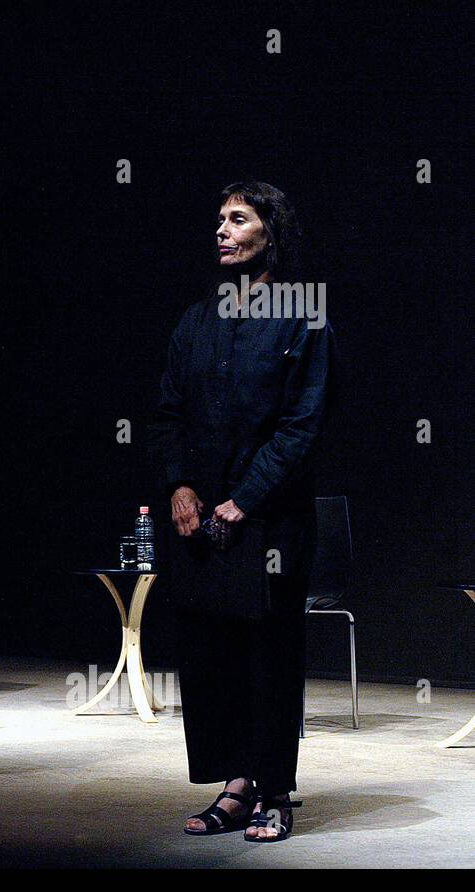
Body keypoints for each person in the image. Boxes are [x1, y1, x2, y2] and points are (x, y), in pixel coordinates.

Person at [147, 181, 335, 841]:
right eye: (219, 218)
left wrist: (243, 497)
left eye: (238, 218)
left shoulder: (303, 316)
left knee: (269, 653)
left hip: (269, 522)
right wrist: (180, 487)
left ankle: (274, 790)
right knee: (212, 652)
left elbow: (301, 427)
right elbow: (169, 410)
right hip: (201, 521)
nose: (222, 230)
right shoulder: (197, 318)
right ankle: (235, 783)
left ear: (270, 232)